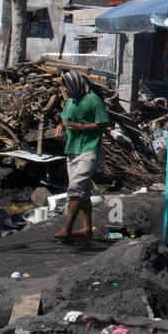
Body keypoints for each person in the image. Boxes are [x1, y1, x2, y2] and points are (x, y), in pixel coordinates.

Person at [57, 70, 110, 241]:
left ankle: (67, 228)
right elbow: (65, 119)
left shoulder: (92, 99)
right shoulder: (71, 101)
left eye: (65, 85)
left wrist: (82, 127)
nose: (63, 89)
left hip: (90, 149)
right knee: (83, 191)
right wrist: (61, 127)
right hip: (72, 150)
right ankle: (87, 230)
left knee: (75, 188)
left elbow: (104, 123)